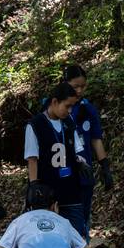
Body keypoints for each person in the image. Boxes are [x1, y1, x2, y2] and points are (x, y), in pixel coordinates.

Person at [24, 81, 88, 237]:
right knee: (50, 233)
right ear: (54, 102)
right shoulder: (36, 125)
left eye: (72, 106)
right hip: (48, 191)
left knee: (76, 233)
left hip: (71, 188)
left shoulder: (68, 122)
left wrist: (80, 162)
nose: (70, 110)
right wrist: (34, 185)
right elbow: (32, 158)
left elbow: (77, 149)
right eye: (67, 106)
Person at [62, 64, 112, 238]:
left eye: (83, 86)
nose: (79, 90)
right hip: (63, 172)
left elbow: (95, 139)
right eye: (75, 86)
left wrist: (105, 166)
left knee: (83, 214)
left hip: (85, 171)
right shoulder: (55, 107)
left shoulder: (87, 109)